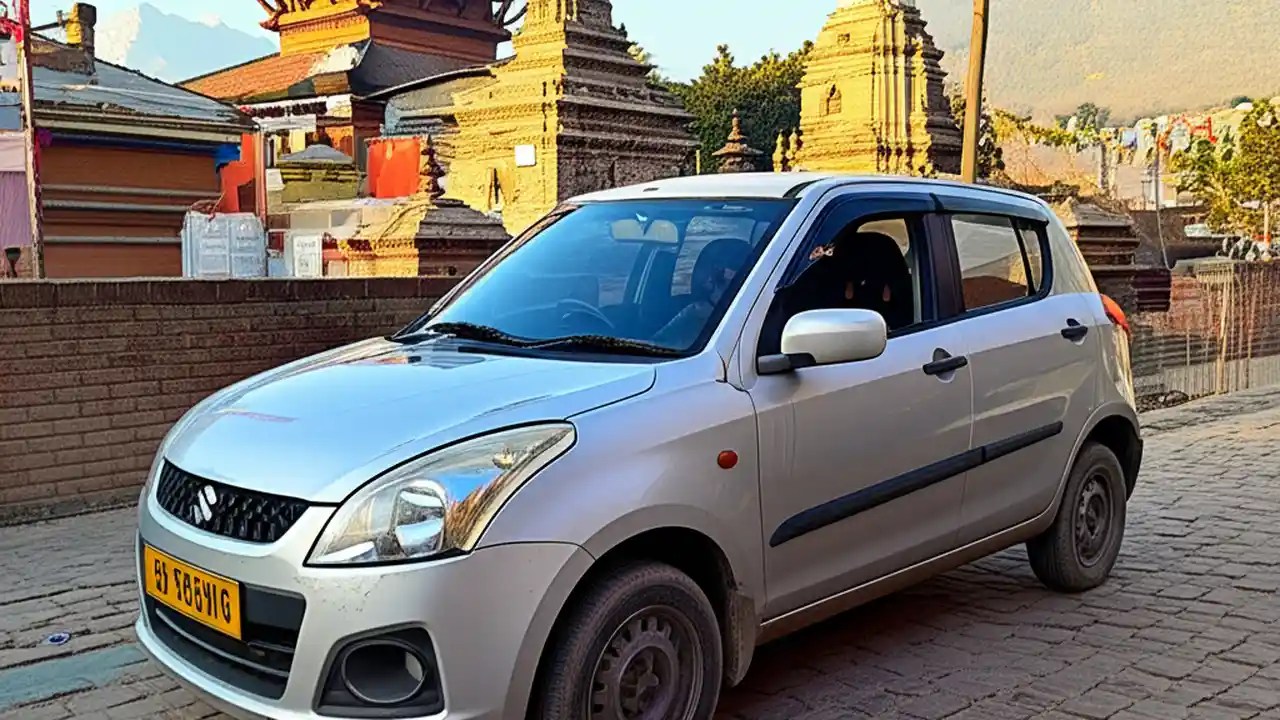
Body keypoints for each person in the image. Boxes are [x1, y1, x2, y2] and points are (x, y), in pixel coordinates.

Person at [654, 238, 752, 349]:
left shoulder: (755, 313)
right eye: (736, 266)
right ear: (711, 277)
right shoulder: (692, 316)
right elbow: (657, 345)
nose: (748, 274)